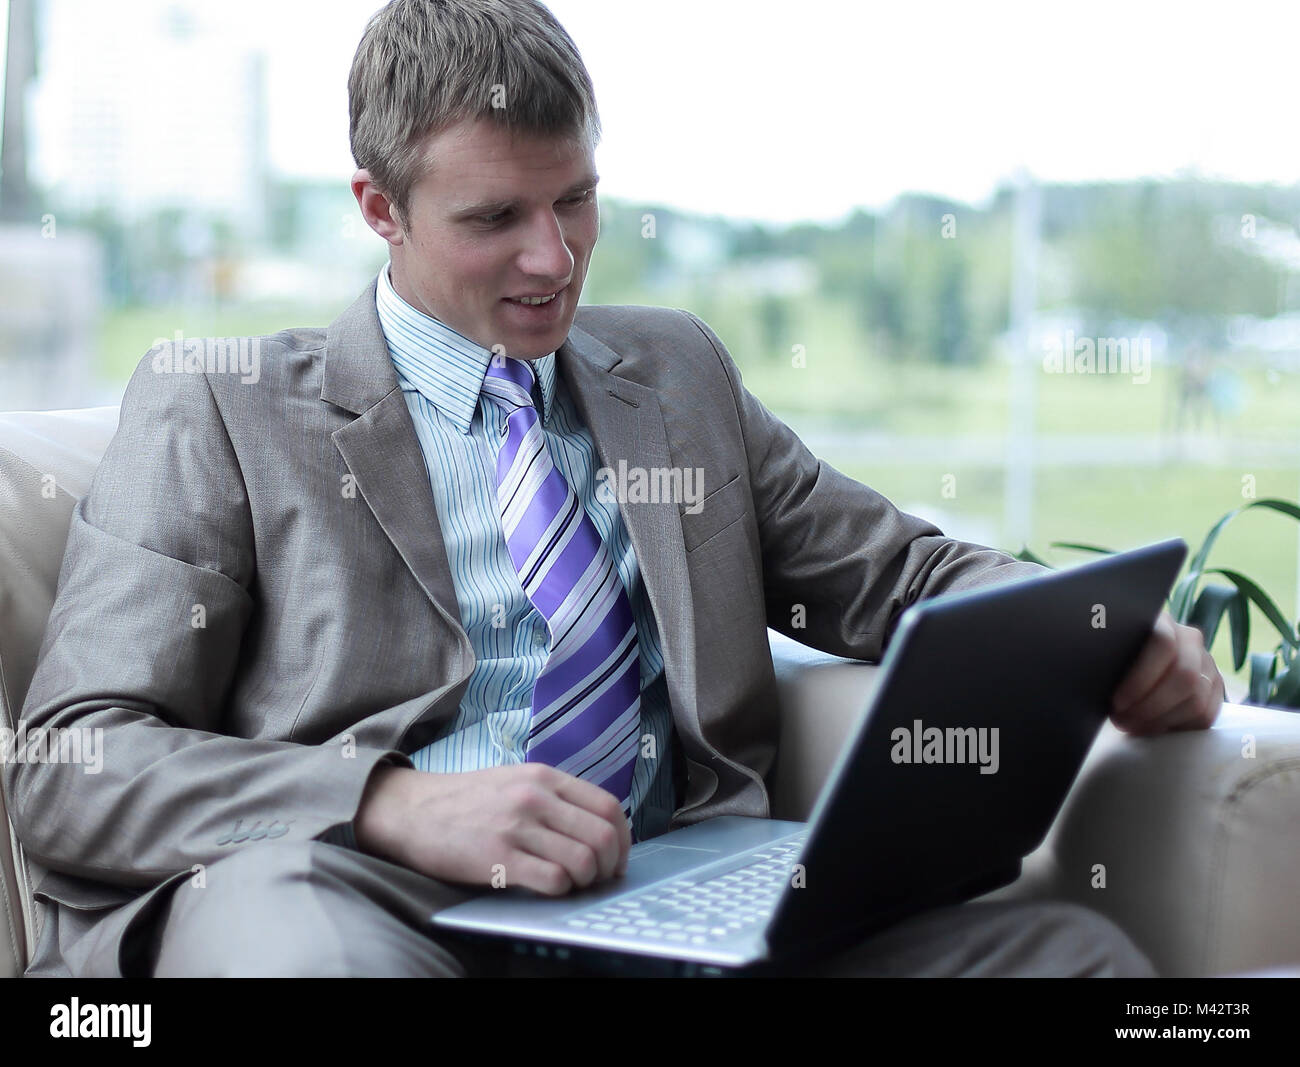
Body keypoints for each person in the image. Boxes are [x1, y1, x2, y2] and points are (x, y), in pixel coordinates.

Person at [8, 0, 1224, 979]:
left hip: (663, 890)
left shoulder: (674, 374)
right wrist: (383, 804)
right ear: (379, 207)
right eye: (495, 218)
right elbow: (73, 758)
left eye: (576, 199)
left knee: (1067, 953)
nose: (555, 257)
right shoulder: (222, 403)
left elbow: (902, 572)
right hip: (351, 888)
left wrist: (1093, 632)